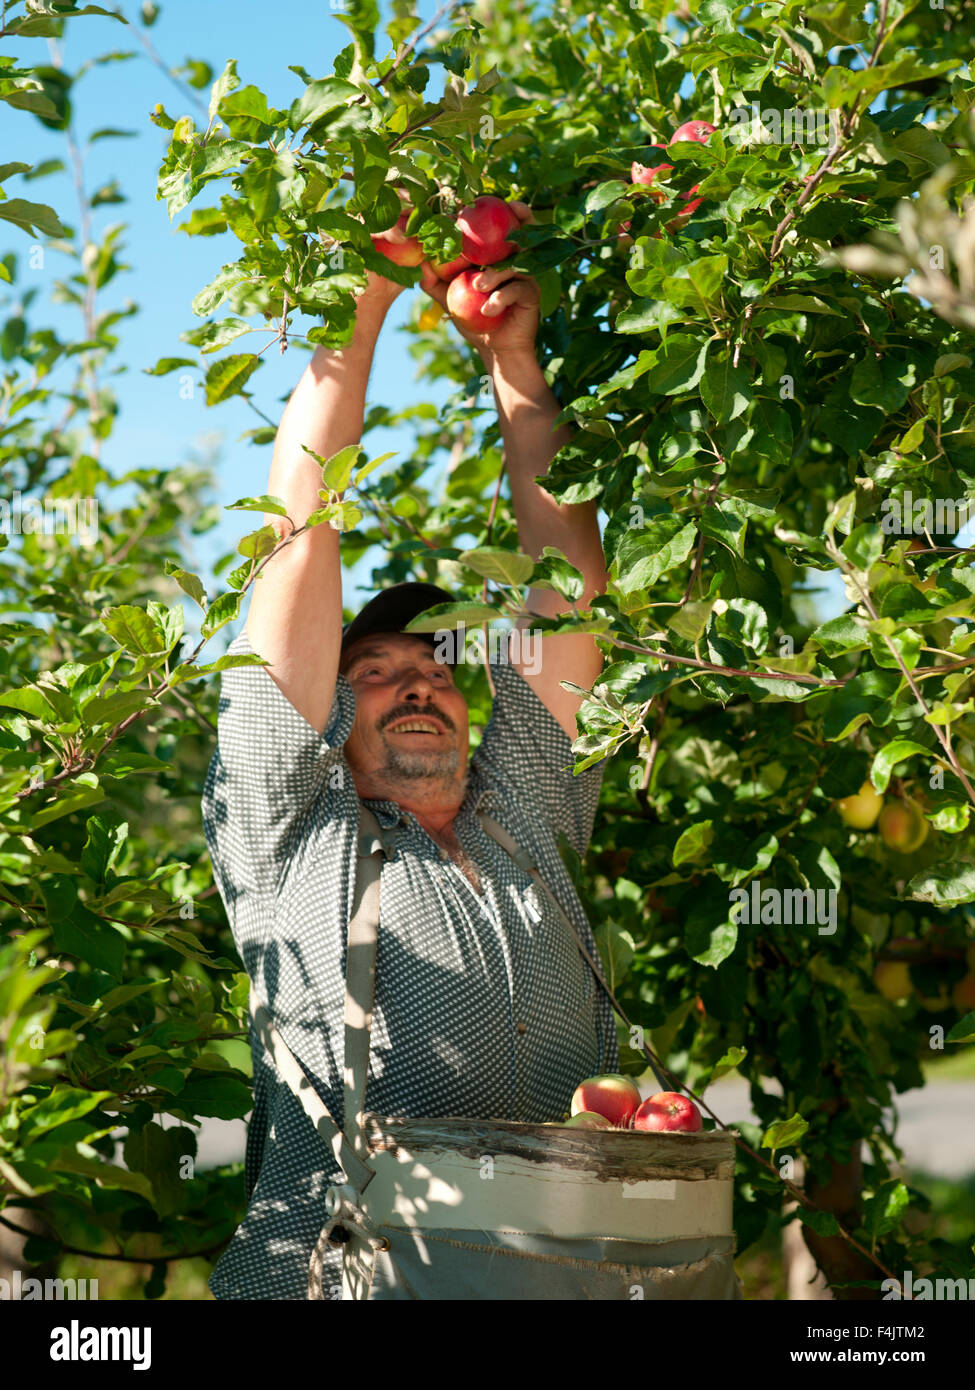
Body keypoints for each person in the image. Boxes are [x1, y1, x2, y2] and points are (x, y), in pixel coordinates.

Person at [201, 205, 616, 1299]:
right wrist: (369, 300)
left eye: (436, 668)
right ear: (326, 715)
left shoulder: (528, 806)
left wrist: (514, 365)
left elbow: (570, 596)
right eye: (373, 669)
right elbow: (298, 538)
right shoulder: (293, 829)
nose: (418, 680)